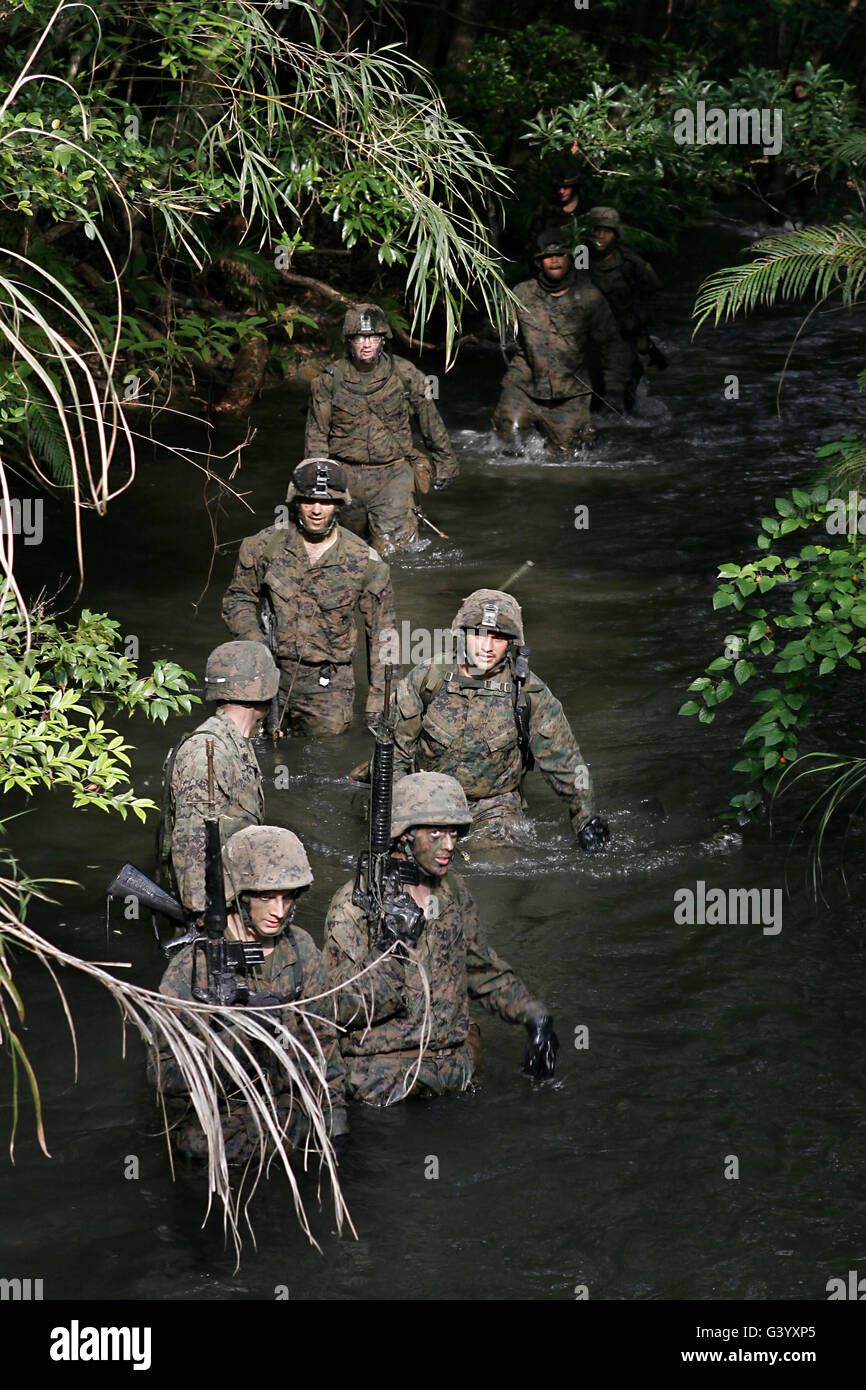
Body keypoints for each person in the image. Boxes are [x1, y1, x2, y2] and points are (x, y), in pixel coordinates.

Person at [323, 772, 557, 1105]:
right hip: (384, 1083)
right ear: (404, 835)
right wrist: (394, 947)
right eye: (435, 833)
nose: (448, 845)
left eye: (453, 833)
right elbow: (338, 1007)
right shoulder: (356, 904)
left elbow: (481, 970)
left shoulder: (454, 892)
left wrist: (534, 1016)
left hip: (454, 1074)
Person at [151, 825, 348, 1163]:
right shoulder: (193, 968)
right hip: (222, 1138)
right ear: (239, 898)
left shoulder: (301, 950)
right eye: (265, 897)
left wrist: (336, 1124)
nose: (279, 911)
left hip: (292, 1126)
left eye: (288, 897)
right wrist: (237, 1037)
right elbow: (164, 1077)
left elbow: (324, 1043)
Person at [392, 588, 609, 851]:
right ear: (464, 633)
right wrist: (399, 814)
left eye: (498, 638)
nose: (487, 646)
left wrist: (586, 819)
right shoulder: (428, 678)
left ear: (511, 643)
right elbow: (395, 754)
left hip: (494, 807)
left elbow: (568, 762)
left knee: (497, 867)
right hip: (428, 799)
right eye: (480, 634)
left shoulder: (528, 694)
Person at [221, 458, 397, 737]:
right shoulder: (264, 547)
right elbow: (238, 600)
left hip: (328, 688)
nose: (317, 510)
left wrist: (380, 701)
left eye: (326, 503)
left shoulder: (365, 562)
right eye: (309, 500)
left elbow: (382, 633)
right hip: (265, 675)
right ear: (295, 500)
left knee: (324, 759)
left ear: (338, 505)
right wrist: (256, 646)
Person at [304, 303, 457, 555]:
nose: (366, 344)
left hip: (393, 474)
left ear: (383, 340)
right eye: (360, 337)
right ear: (349, 340)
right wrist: (317, 485)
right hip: (345, 476)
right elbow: (317, 435)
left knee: (394, 554)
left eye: (373, 337)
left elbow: (430, 421)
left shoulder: (406, 375)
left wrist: (446, 461)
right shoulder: (328, 381)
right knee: (346, 553)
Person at [159, 640, 276, 918]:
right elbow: (191, 860)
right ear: (261, 691)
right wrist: (209, 925)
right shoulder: (207, 757)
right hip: (212, 919)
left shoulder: (235, 742)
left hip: (232, 902)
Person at [493, 229, 629, 450]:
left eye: (560, 255)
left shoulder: (589, 296)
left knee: (570, 453)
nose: (554, 260)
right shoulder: (522, 293)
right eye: (548, 257)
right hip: (524, 384)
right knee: (508, 440)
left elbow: (612, 344)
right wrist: (493, 313)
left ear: (570, 259)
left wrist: (614, 388)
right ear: (540, 262)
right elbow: (500, 332)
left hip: (571, 392)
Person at [587, 206, 665, 409]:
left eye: (607, 231)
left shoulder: (630, 262)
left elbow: (654, 296)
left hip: (622, 332)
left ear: (616, 233)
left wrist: (637, 319)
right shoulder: (579, 257)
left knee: (622, 395)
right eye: (597, 229)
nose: (601, 236)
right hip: (588, 334)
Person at [530, 160, 582, 241]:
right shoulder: (546, 208)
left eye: (566, 187)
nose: (561, 191)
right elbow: (534, 236)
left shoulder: (587, 209)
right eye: (558, 187)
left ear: (574, 186)